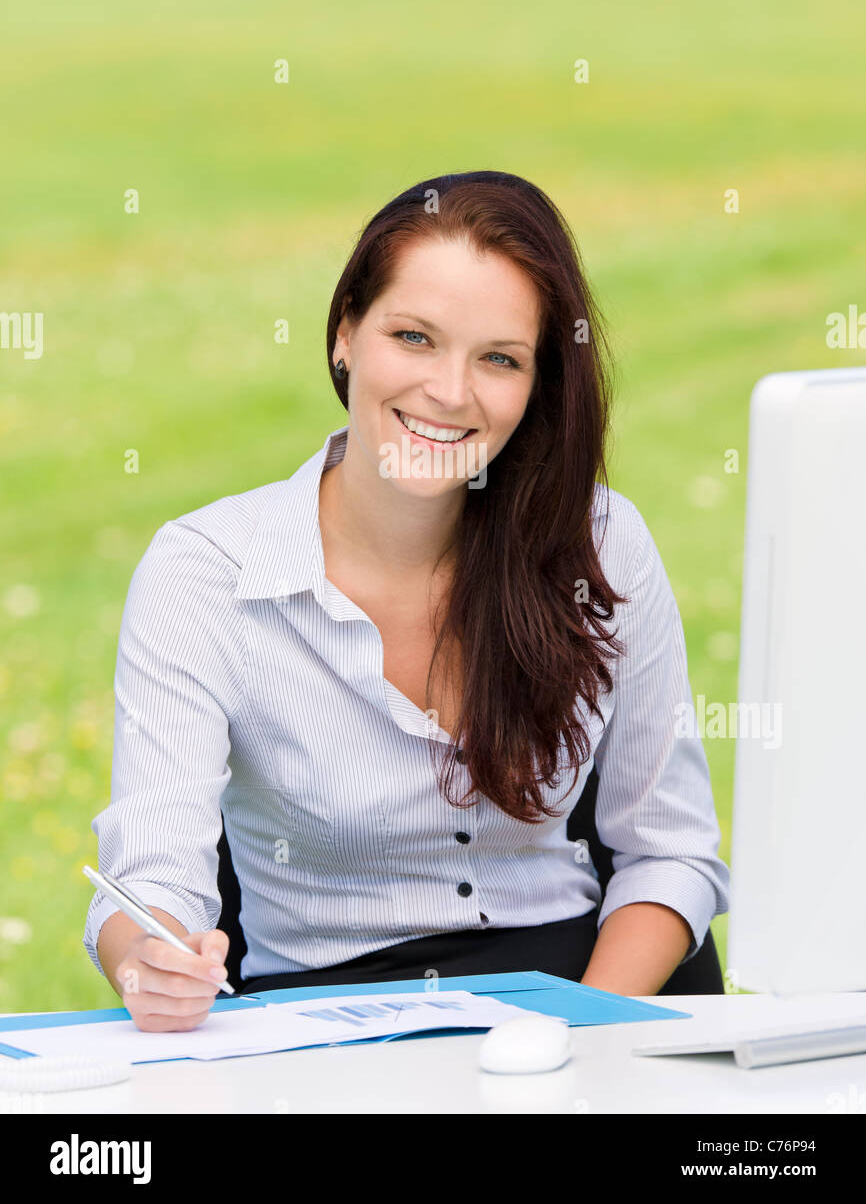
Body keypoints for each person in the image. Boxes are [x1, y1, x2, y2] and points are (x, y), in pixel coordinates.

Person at [83, 170, 730, 1031]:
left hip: (587, 996)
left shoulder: (600, 545)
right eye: (415, 337)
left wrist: (575, 1041)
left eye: (499, 358)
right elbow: (150, 883)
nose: (450, 392)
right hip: (326, 1021)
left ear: (538, 384)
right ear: (346, 332)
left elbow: (669, 854)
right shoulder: (204, 575)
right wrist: (150, 960)